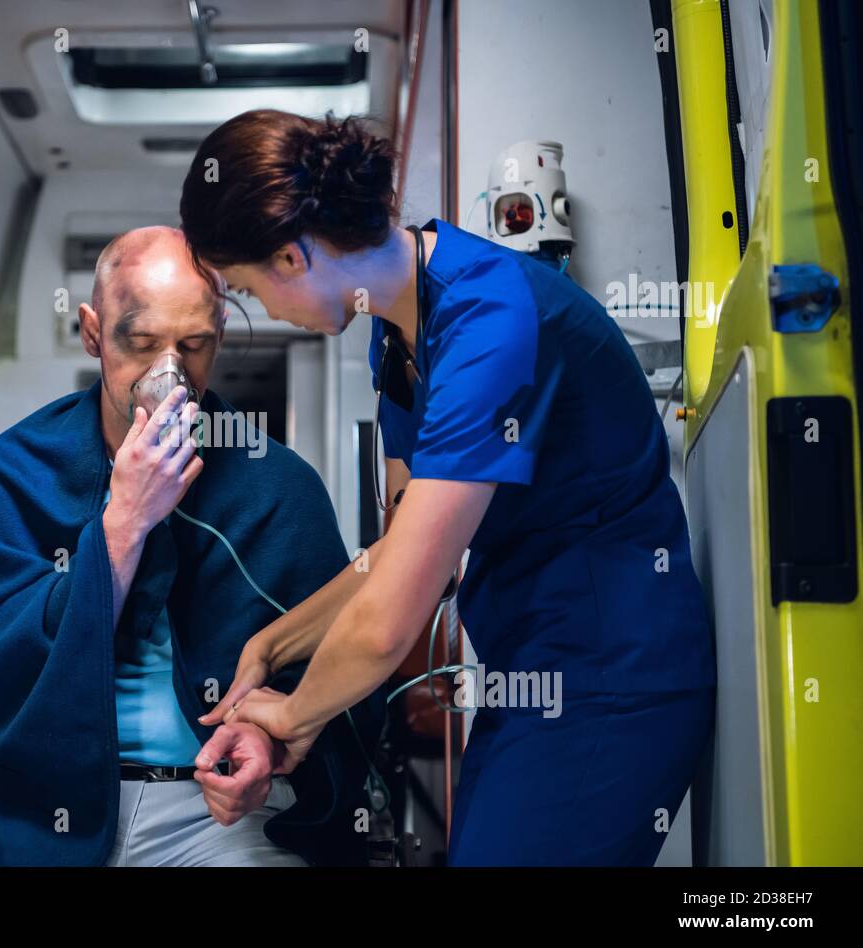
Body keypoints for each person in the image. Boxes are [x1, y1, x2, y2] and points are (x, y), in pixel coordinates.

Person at [181, 111, 717, 865]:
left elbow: (385, 625)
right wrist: (268, 649)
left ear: (293, 259)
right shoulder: (397, 331)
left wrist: (292, 717)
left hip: (611, 681)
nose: (270, 313)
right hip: (530, 677)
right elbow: (398, 554)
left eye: (249, 289)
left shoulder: (488, 321)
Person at [0, 226, 381, 867]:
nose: (170, 374)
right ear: (92, 333)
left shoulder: (277, 487)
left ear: (219, 339)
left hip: (214, 816)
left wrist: (271, 743)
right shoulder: (7, 478)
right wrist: (124, 523)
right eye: (139, 345)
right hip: (35, 806)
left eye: (193, 346)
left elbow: (340, 662)